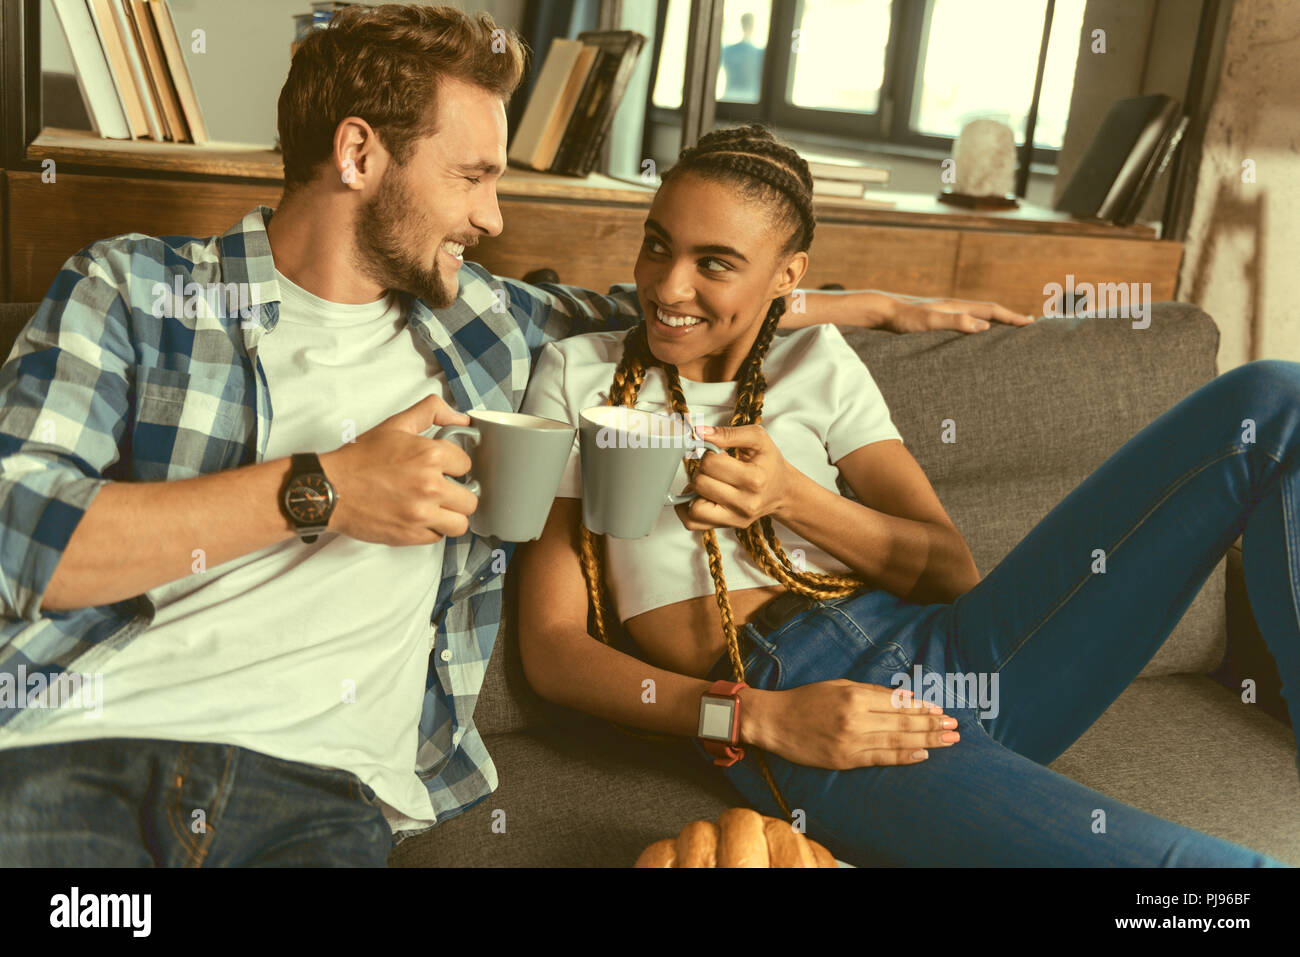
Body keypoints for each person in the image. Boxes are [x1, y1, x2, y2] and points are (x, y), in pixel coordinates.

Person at [0, 6, 1026, 867]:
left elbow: (684, 307)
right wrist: (317, 490)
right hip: (81, 747)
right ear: (358, 152)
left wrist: (884, 304)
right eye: (473, 177)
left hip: (316, 799)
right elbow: (17, 537)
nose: (493, 218)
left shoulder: (494, 328)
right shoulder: (136, 289)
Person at [515, 123, 1299, 867]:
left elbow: (949, 568)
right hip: (800, 694)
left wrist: (791, 495)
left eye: (714, 262)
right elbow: (552, 650)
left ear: (787, 278)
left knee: (1275, 398)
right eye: (657, 244)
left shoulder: (816, 361)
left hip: (962, 650)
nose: (667, 283)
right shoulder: (578, 375)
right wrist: (755, 716)